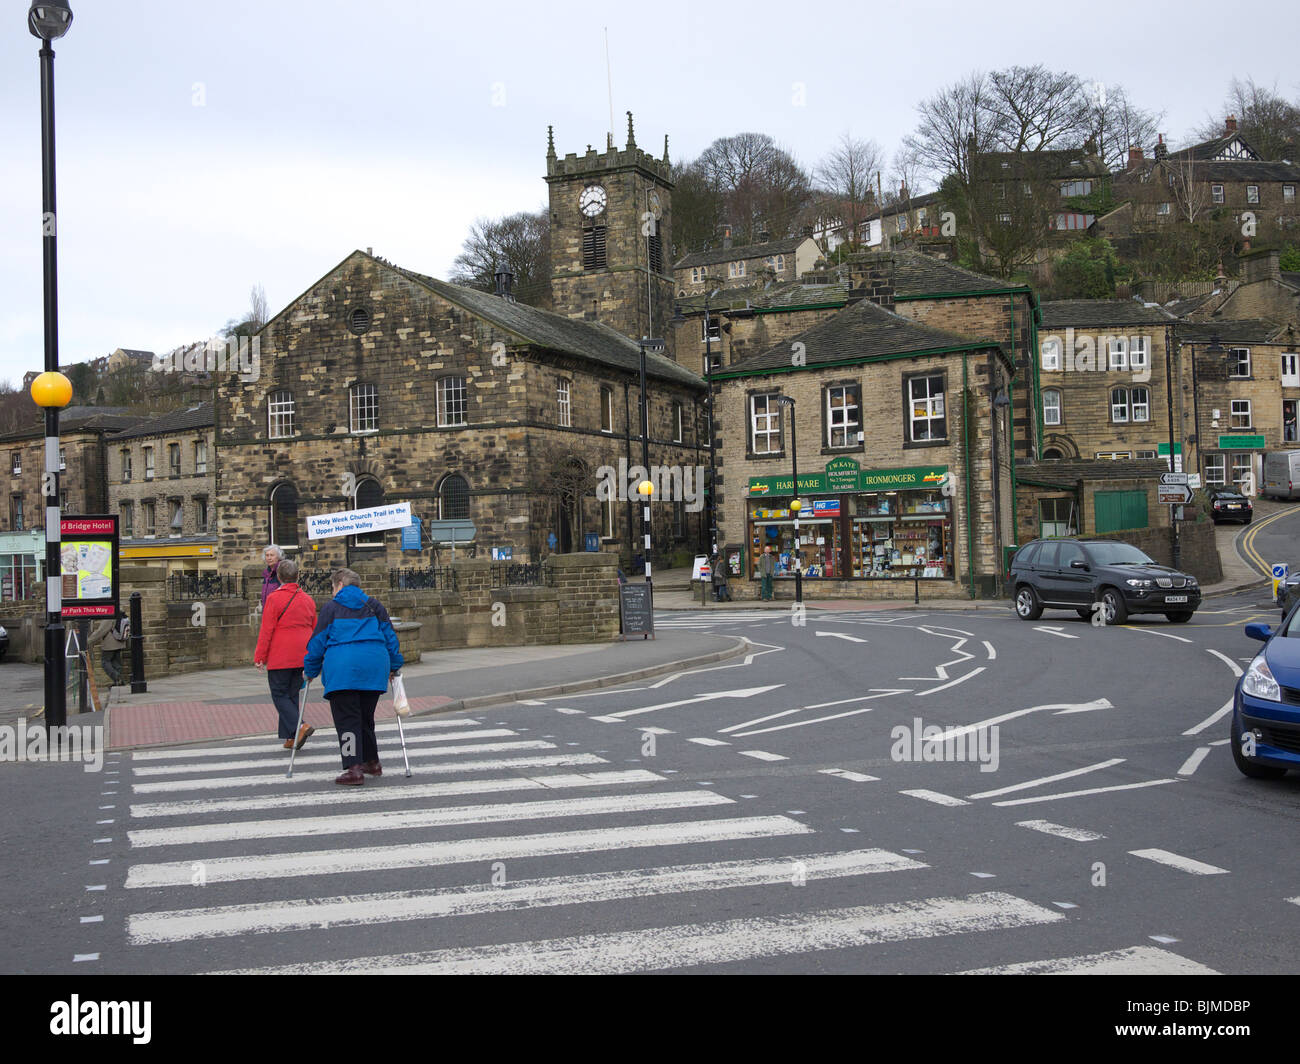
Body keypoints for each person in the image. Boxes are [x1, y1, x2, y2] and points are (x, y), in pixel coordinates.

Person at [303, 568, 403, 786]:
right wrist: (395, 666)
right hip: (374, 666)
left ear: (339, 584)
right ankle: (371, 762)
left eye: (332, 586)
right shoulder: (375, 606)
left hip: (343, 669)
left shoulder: (331, 608)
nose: (332, 591)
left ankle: (353, 768)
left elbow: (318, 642)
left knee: (347, 720)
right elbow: (390, 637)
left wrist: (310, 670)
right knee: (365, 718)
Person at [254, 558, 318, 751]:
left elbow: (267, 630)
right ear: (297, 576)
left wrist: (259, 656)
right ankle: (291, 736)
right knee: (291, 695)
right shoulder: (308, 599)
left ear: (279, 577)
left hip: (281, 655)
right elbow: (315, 629)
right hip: (303, 654)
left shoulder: (274, 598)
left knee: (279, 694)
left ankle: (300, 726)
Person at [89, 609, 129, 686]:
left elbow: (101, 631)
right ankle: (118, 682)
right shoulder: (120, 613)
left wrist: (89, 640)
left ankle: (117, 678)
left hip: (110, 644)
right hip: (120, 642)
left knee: (105, 662)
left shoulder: (109, 616)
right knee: (116, 662)